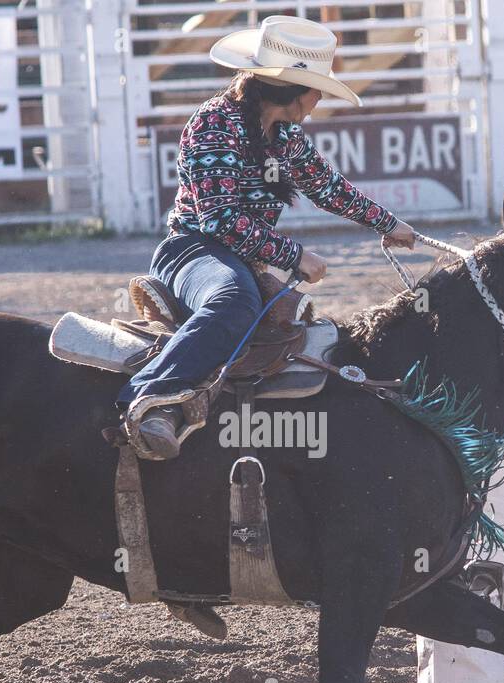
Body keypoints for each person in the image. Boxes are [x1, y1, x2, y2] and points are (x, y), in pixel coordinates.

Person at [120, 15, 416, 459]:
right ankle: (146, 398)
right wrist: (294, 255)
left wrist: (387, 224)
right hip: (191, 250)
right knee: (234, 303)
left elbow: (326, 186)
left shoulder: (286, 134)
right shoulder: (213, 124)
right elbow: (219, 218)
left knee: (281, 316)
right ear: (291, 90)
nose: (319, 97)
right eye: (316, 87)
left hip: (237, 256)